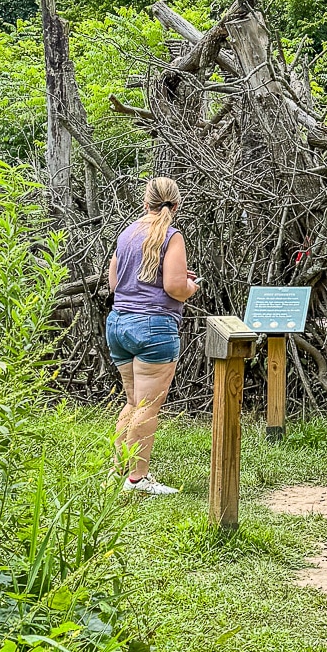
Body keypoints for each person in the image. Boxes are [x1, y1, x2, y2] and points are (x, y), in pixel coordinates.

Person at [106, 176, 200, 495]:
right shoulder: (172, 236)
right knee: (147, 407)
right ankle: (138, 479)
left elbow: (115, 284)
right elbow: (174, 287)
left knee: (133, 402)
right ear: (177, 205)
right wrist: (190, 286)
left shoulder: (126, 233)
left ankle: (118, 472)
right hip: (153, 327)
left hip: (119, 324)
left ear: (145, 203)